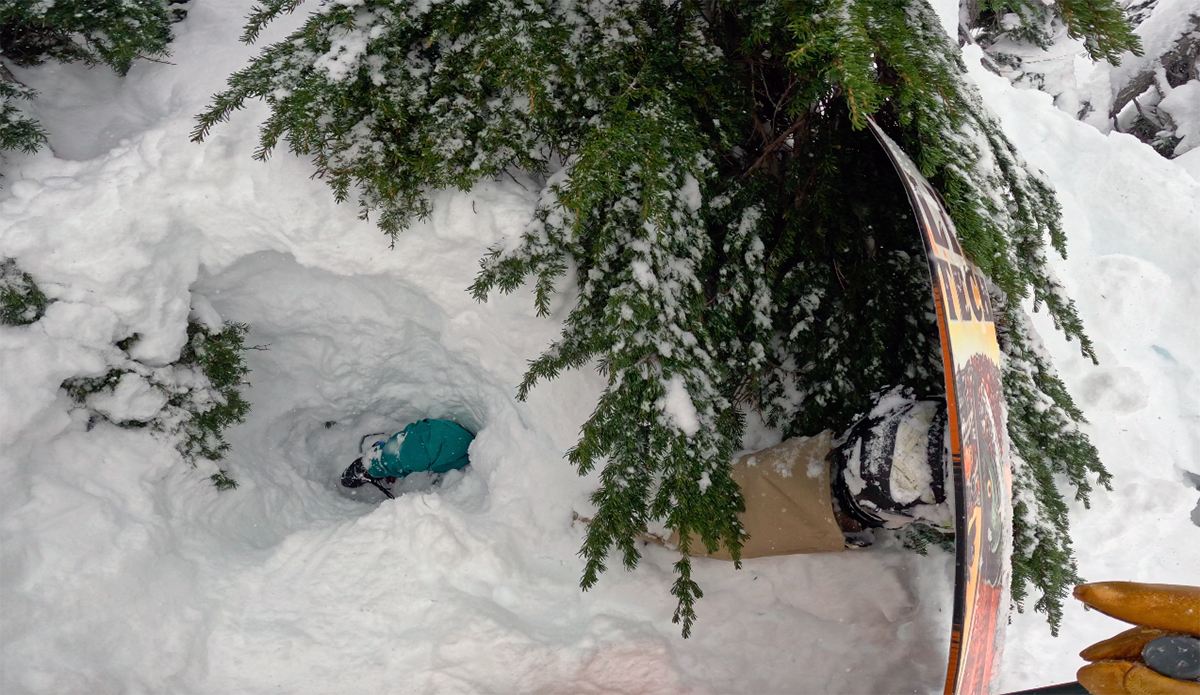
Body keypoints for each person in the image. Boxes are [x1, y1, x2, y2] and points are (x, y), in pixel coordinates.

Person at [341, 418, 474, 498]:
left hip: (456, 444)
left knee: (416, 452)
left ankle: (379, 464)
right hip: (452, 441)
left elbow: (415, 452)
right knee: (416, 447)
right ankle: (380, 462)